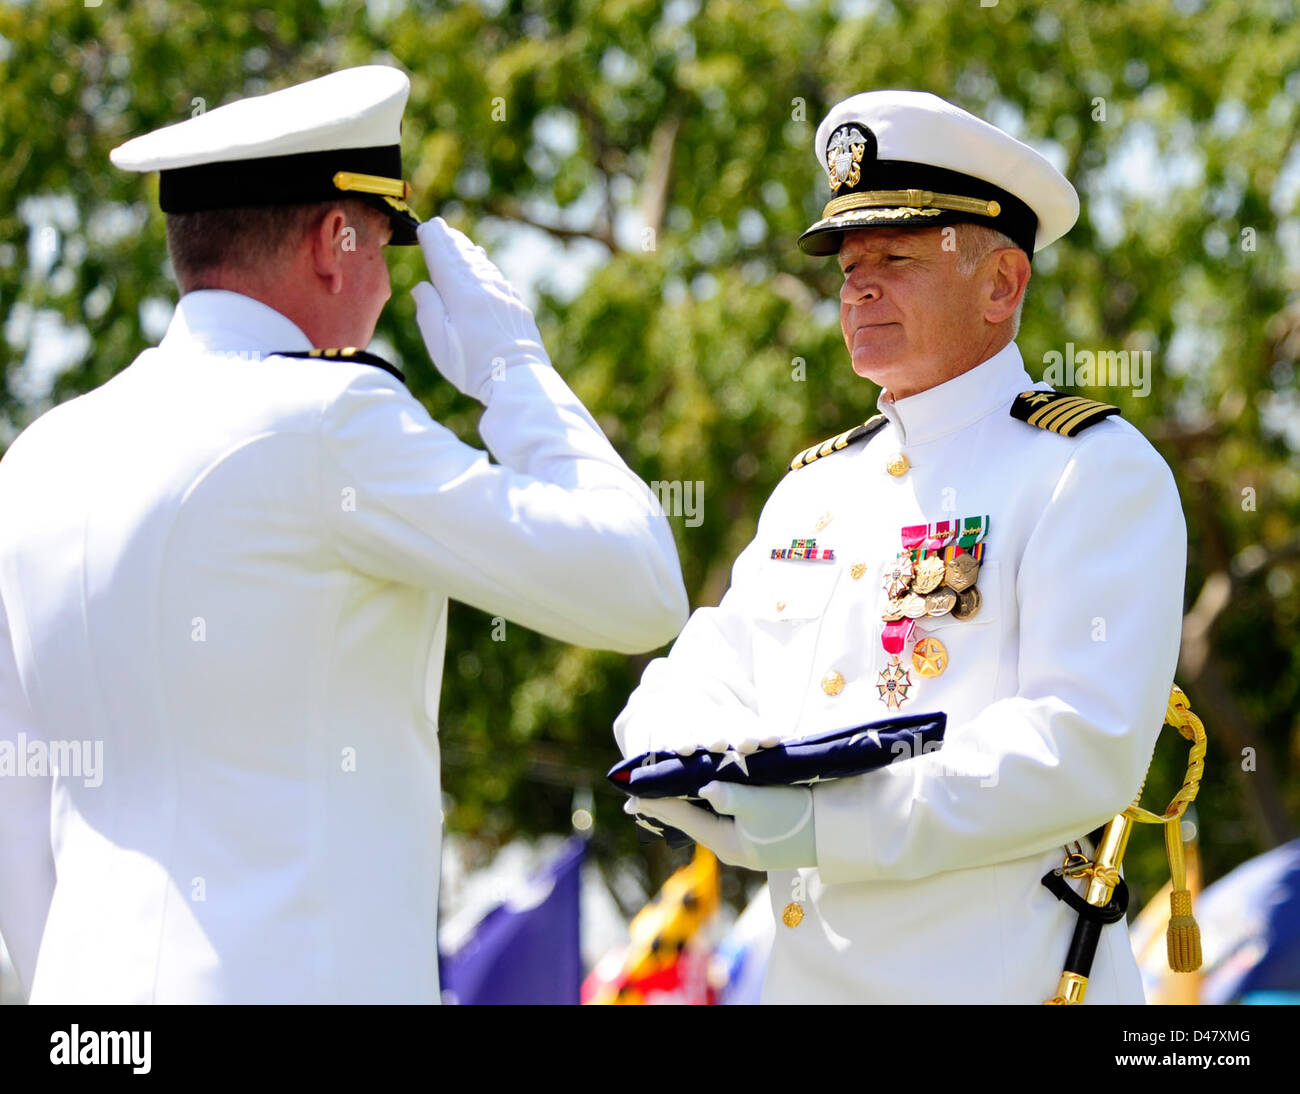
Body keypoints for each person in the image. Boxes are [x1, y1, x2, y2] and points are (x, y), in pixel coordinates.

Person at [0, 65, 688, 1003]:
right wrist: (516, 371)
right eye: (386, 243)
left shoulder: (41, 456)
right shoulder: (329, 420)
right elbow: (639, 584)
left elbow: (18, 797)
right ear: (337, 239)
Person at [616, 90, 1186, 1004]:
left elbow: (1080, 745)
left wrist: (822, 825)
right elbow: (707, 666)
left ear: (1003, 284)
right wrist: (672, 760)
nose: (858, 286)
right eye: (847, 265)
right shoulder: (815, 490)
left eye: (896, 257)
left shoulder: (1088, 471)